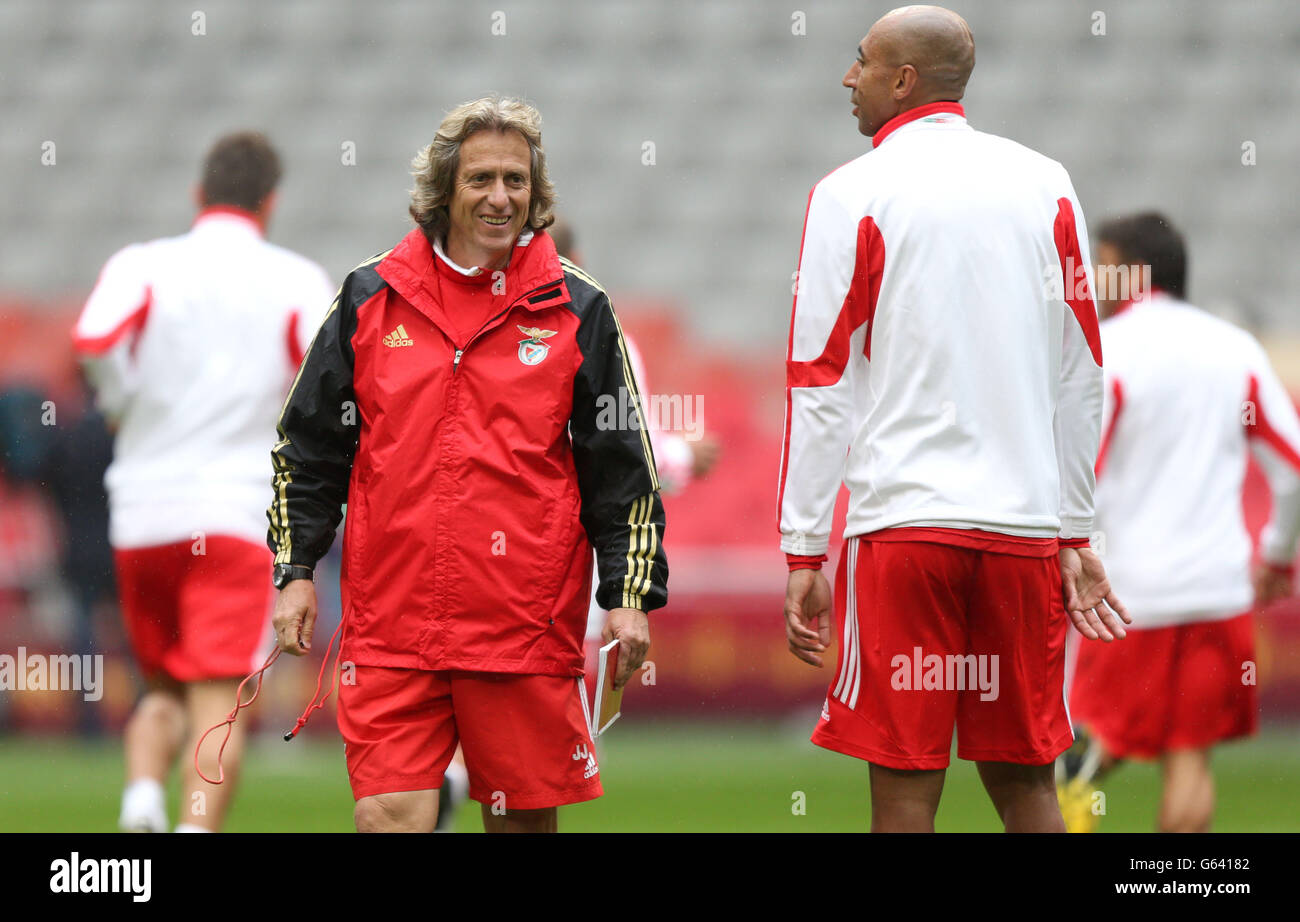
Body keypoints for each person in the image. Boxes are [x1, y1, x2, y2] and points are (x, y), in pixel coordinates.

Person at [267, 96, 667, 834]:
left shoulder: (578, 306)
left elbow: (622, 470)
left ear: (536, 190)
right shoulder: (369, 296)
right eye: (482, 179)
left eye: (517, 179)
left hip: (521, 628)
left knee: (519, 824)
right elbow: (309, 449)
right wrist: (295, 572)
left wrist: (629, 593)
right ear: (445, 188)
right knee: (386, 818)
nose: (500, 197)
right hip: (392, 627)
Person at [778, 5, 1130, 833]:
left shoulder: (847, 192)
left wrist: (803, 546)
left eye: (859, 62)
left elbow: (818, 381)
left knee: (905, 789)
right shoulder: (1048, 182)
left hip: (906, 528)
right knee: (1027, 784)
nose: (845, 78)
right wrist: (1075, 530)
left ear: (900, 79)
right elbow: (1082, 366)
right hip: (1023, 533)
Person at [72, 132, 334, 831]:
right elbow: (332, 386)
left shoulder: (143, 264)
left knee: (161, 688)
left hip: (141, 515)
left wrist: (121, 403)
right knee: (219, 704)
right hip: (232, 517)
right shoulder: (295, 279)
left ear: (198, 195)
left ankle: (141, 800)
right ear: (270, 202)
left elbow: (93, 341)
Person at [1059, 213, 1300, 832]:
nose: (1093, 277)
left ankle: (1080, 777)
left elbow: (1077, 466)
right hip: (1216, 589)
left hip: (1127, 591)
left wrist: (1065, 550)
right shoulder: (1234, 347)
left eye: (1102, 263)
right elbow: (1293, 467)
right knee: (1190, 760)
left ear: (1129, 267)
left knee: (1085, 740)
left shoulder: (1108, 351)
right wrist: (1276, 557)